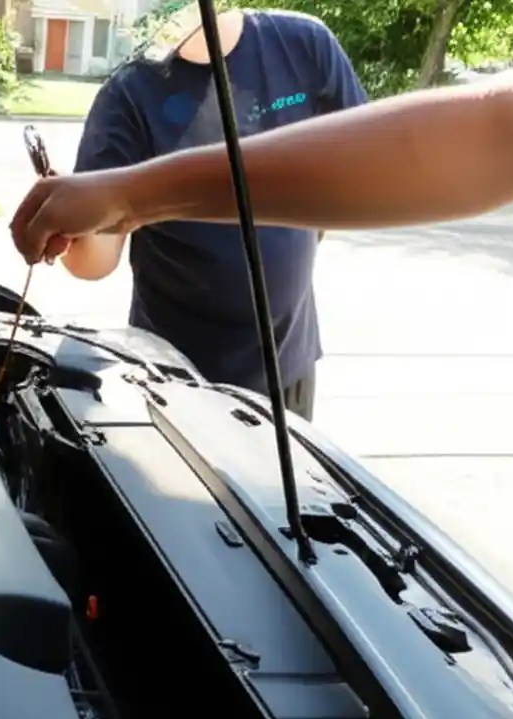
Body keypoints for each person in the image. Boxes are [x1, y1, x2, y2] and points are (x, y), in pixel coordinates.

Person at [59, 4, 367, 420]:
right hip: (178, 380)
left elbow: (355, 167)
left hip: (288, 367)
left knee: (281, 486)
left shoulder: (304, 44)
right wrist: (69, 227)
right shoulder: (128, 95)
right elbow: (94, 261)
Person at [12, 35, 513, 252]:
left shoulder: (304, 44)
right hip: (173, 365)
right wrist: (115, 203)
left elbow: (385, 166)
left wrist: (132, 196)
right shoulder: (131, 87)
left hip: (289, 356)